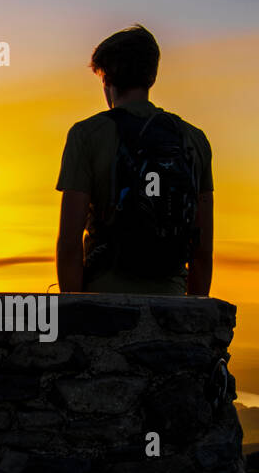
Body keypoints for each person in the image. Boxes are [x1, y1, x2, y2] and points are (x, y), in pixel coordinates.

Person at [56, 24, 213, 296]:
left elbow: (69, 244)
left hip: (103, 296)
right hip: (172, 298)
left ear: (105, 79)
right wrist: (192, 314)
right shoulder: (194, 140)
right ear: (152, 77)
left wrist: (75, 312)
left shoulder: (86, 135)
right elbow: (202, 251)